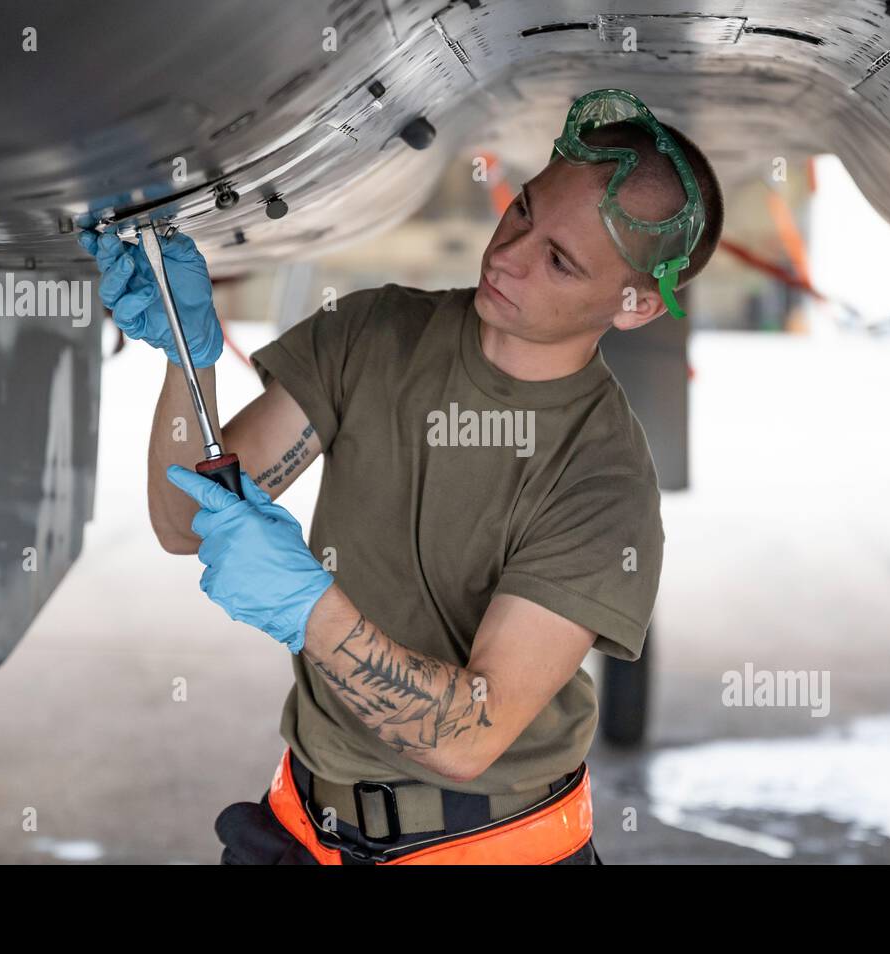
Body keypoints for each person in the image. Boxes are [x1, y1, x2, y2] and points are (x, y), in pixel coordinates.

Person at [78, 89, 724, 865]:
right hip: (305, 830)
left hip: (487, 850)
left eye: (558, 260)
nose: (508, 255)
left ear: (635, 306)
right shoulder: (376, 333)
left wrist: (307, 607)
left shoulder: (603, 483)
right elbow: (185, 521)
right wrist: (189, 360)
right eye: (522, 211)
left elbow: (467, 737)